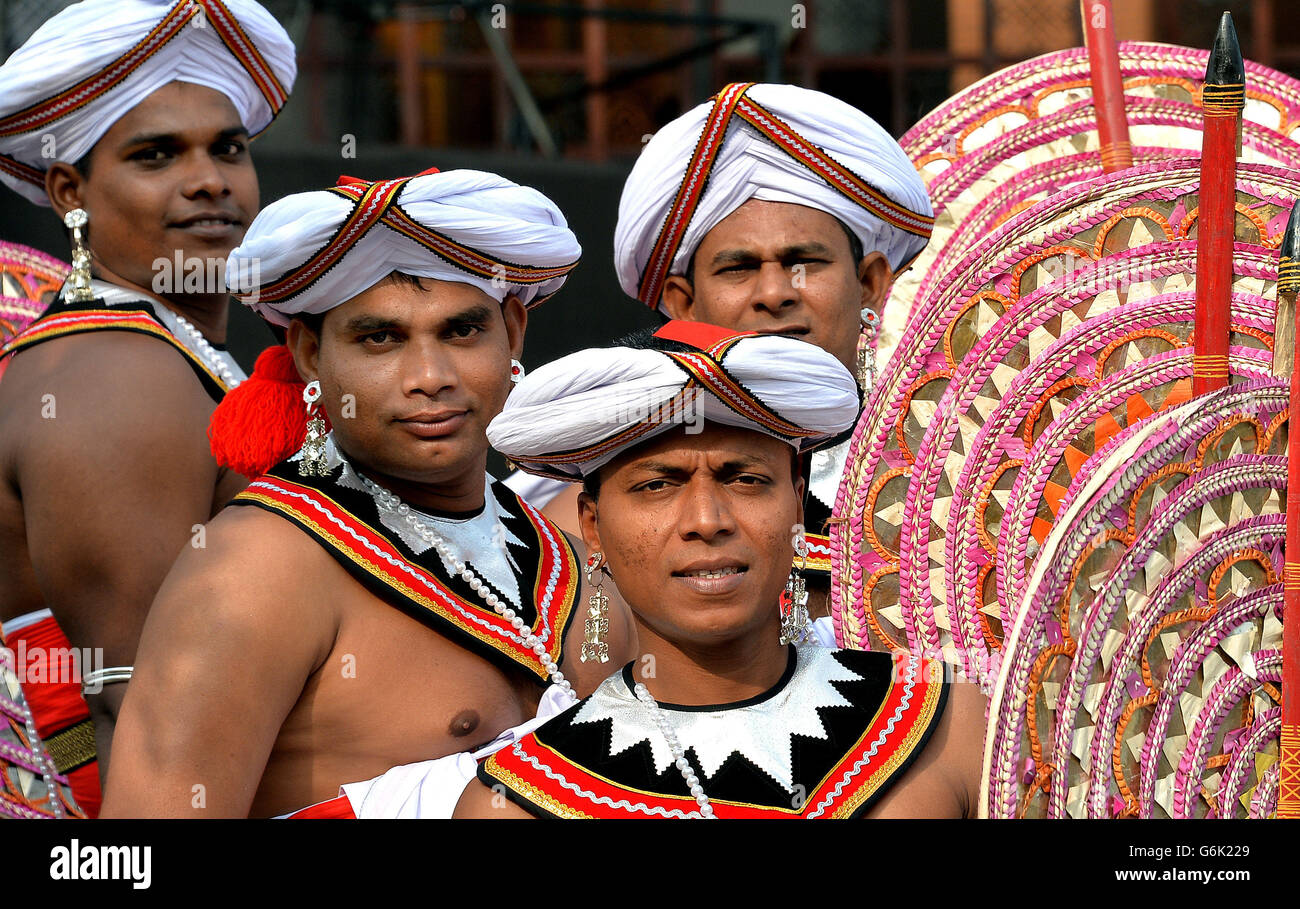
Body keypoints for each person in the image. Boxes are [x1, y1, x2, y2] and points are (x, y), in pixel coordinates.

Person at [101, 168, 635, 818]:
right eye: (380, 338)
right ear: (308, 354)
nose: (430, 377)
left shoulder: (583, 571)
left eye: (462, 331)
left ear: (514, 332)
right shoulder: (252, 570)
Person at [456, 321, 985, 818]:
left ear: (798, 502)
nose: (707, 522)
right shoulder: (517, 801)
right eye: (657, 485)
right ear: (593, 527)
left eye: (746, 479)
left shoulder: (953, 720)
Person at [0, 0, 295, 815]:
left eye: (227, 148)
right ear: (71, 194)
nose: (210, 180)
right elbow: (152, 716)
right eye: (157, 154)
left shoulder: (162, 349)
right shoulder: (115, 376)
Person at [510, 82, 933, 646]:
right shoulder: (586, 505)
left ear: (869, 283)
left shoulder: (959, 466)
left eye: (804, 261)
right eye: (738, 269)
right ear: (682, 302)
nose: (776, 292)